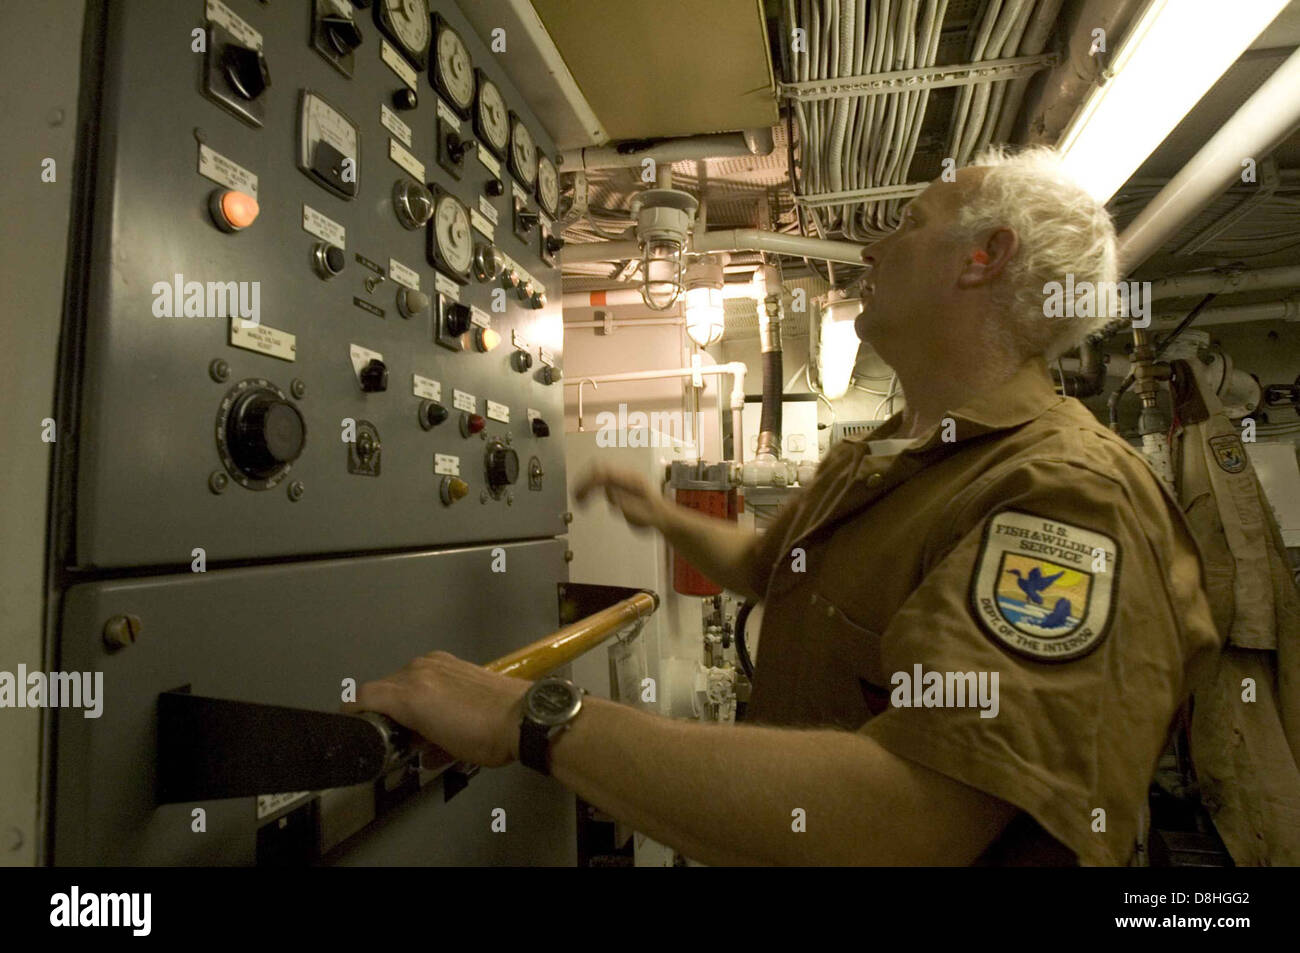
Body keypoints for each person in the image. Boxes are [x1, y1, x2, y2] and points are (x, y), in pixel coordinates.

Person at [350, 146, 1222, 865]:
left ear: (981, 258)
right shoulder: (887, 452)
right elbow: (773, 570)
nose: (874, 252)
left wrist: (530, 717)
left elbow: (912, 815)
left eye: (909, 224)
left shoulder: (1067, 497)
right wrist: (661, 512)